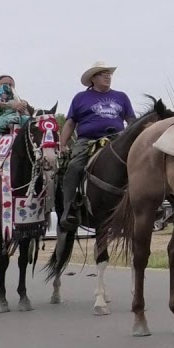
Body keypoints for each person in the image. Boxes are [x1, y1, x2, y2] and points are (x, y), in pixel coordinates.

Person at [59, 62, 136, 227]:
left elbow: (131, 121)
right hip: (88, 141)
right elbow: (70, 123)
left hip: (117, 140)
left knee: (138, 163)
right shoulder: (80, 98)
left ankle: (144, 203)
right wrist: (62, 144)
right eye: (103, 73)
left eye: (109, 73)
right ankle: (68, 209)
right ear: (93, 78)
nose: (107, 76)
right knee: (74, 166)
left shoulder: (121, 97)